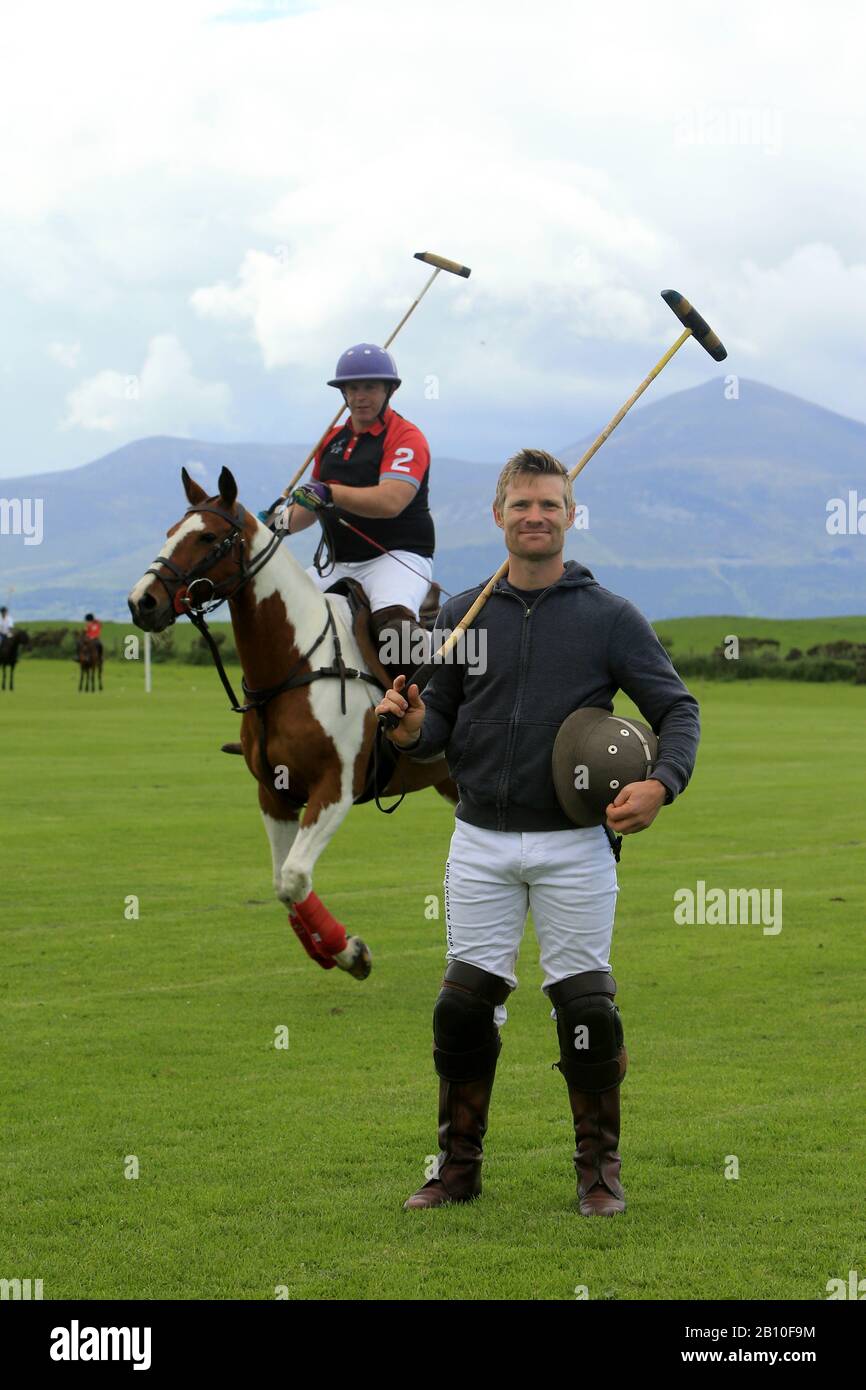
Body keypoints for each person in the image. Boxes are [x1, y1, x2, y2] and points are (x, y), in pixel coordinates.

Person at [375, 448, 700, 1216]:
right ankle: (457, 1169)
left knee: (586, 1007)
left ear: (570, 515)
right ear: (498, 516)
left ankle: (598, 1173)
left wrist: (661, 784)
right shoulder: (462, 613)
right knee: (462, 1005)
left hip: (574, 843)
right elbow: (437, 726)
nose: (535, 516)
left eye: (550, 505)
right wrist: (410, 730)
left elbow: (677, 709)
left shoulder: (608, 617)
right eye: (521, 504)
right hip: (480, 838)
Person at [283, 343, 434, 683]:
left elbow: (390, 501)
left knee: (396, 633)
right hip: (338, 561)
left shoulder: (406, 437)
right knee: (280, 614)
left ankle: (422, 715)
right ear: (343, 393)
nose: (360, 396)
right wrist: (275, 524)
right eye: (353, 388)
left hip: (396, 557)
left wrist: (329, 491)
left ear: (388, 390)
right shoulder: (332, 441)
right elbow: (309, 507)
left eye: (370, 387)